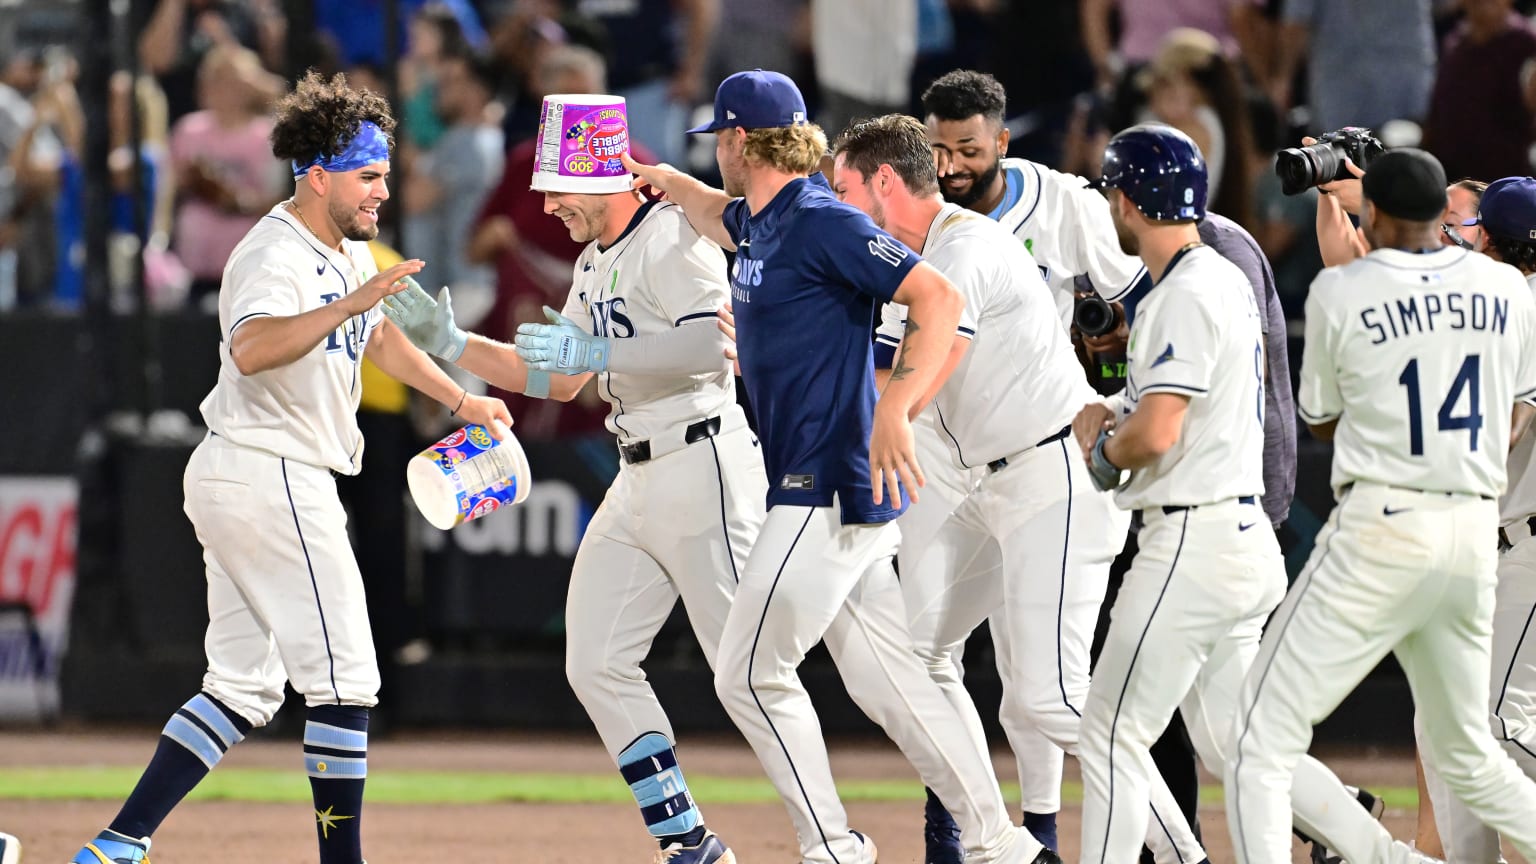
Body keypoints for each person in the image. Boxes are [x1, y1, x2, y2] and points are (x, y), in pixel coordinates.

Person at [66, 70, 510, 864]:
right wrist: (349, 302)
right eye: (368, 175)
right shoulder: (274, 251)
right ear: (318, 175)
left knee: (241, 687)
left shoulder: (343, 249)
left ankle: (117, 845)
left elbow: (382, 338)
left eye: (383, 173)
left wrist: (458, 399)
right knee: (346, 680)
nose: (382, 189)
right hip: (270, 474)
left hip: (249, 473)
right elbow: (252, 345)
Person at [625, 68, 1052, 864]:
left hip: (821, 482)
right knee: (891, 687)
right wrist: (670, 182)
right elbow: (723, 216)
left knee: (748, 674)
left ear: (738, 139)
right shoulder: (768, 218)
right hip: (826, 485)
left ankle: (834, 848)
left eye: (717, 140)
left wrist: (894, 409)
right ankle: (1005, 845)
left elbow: (939, 299)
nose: (714, 154)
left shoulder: (819, 219)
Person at [382, 90, 759, 864]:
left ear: (602, 175)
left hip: (703, 462)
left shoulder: (676, 236)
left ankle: (832, 840)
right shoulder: (594, 261)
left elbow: (703, 352)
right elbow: (552, 379)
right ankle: (687, 841)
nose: (548, 203)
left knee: (752, 675)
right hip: (638, 472)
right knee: (595, 661)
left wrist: (591, 356)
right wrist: (453, 341)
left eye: (559, 184)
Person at [833, 113, 1202, 864]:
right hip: (988, 485)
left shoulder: (964, 248)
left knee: (1052, 700)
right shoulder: (909, 254)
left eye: (841, 188)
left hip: (1052, 475)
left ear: (883, 183)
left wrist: (793, 373)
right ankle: (997, 843)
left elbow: (911, 378)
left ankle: (1182, 855)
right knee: (913, 651)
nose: (835, 205)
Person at [1070, 124, 1373, 864]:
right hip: (1236, 541)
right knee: (1239, 742)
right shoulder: (1220, 274)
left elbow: (1158, 434)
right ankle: (1382, 854)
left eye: (1115, 189)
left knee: (1108, 730)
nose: (1110, 201)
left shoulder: (1186, 292)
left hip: (1192, 543)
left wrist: (1103, 449)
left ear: (1130, 199)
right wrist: (1119, 413)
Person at [1225, 150, 1536, 864]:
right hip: (1471, 533)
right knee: (1469, 753)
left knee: (1256, 736)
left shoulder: (1347, 289)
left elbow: (1323, 420)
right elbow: (1511, 412)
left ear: (1379, 216)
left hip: (1385, 527)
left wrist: (1346, 256)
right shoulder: (1504, 288)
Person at [919, 66, 1148, 850]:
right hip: (947, 455)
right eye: (940, 146)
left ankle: (1045, 831)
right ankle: (955, 826)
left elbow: (1141, 289)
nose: (953, 164)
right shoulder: (918, 216)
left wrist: (1117, 364)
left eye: (969, 148)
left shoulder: (1062, 204)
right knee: (925, 650)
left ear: (1003, 142)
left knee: (1036, 681)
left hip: (1044, 445)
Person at [1420, 175, 1536, 864]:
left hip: (1527, 546)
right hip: (1496, 545)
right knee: (1445, 727)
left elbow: (1507, 432)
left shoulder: (1522, 307)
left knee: (1492, 727)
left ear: (1488, 237)